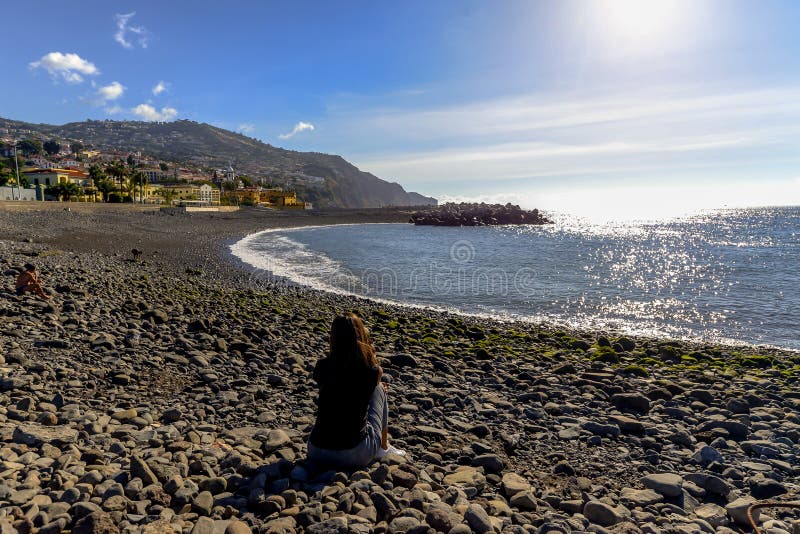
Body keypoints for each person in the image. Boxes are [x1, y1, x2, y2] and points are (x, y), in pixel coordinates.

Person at [307, 313, 405, 468]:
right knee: (380, 388)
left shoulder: (322, 366)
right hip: (353, 454)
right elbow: (362, 385)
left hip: (316, 451)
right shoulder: (371, 371)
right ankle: (383, 448)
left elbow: (339, 391)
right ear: (360, 336)